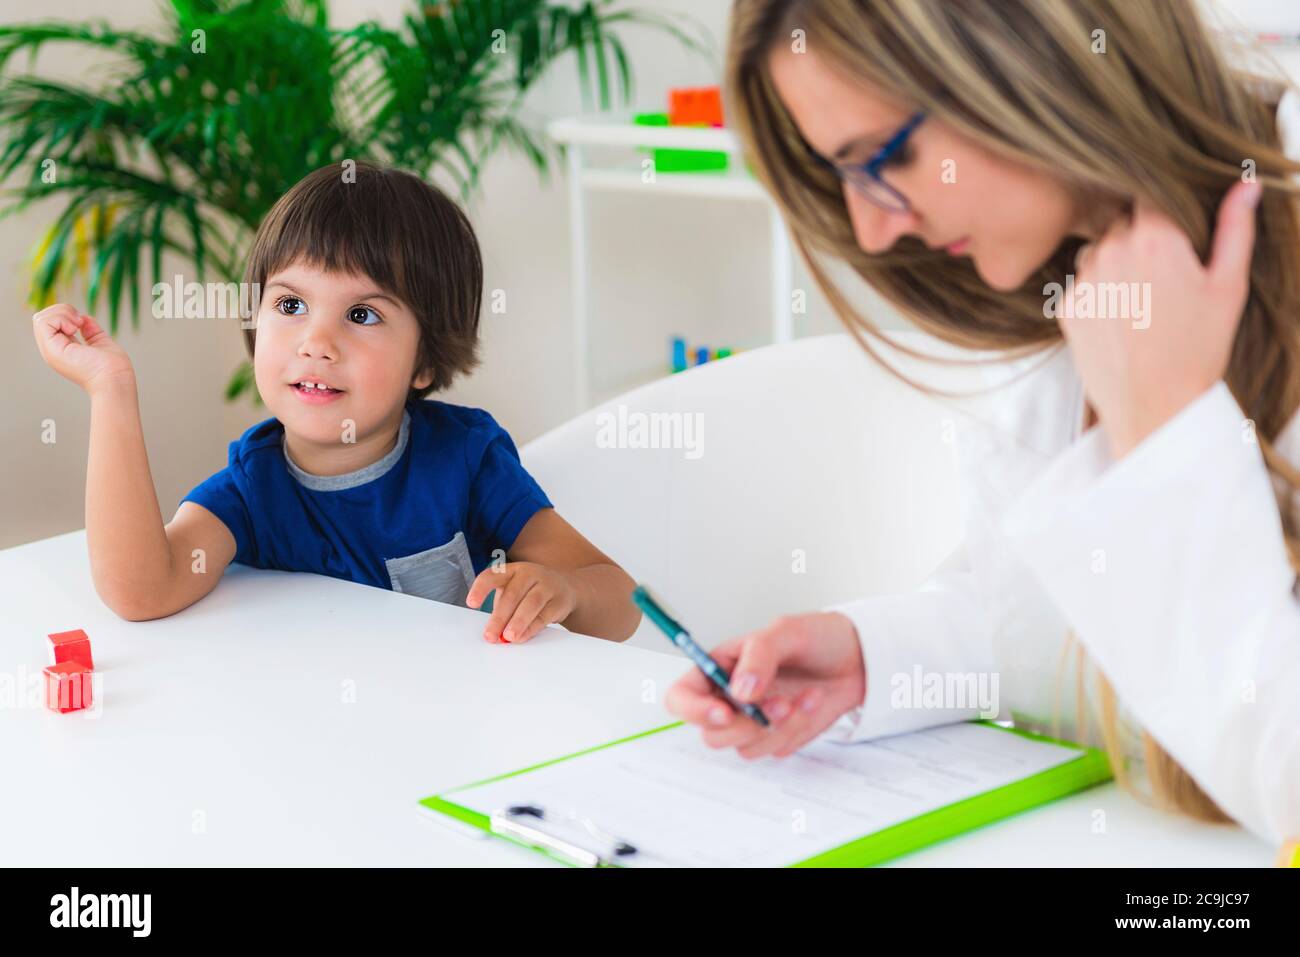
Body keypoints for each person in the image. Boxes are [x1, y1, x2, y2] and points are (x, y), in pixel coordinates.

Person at [667, 0, 1300, 845]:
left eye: (885, 158)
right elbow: (1068, 619)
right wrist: (872, 658)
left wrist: (1168, 431)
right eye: (844, 179)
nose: (872, 227)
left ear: (1027, 49)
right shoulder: (1076, 291)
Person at [31, 161, 639, 645]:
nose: (316, 342)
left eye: (362, 314)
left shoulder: (466, 459)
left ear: (425, 360)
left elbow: (620, 601)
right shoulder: (253, 487)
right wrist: (109, 390)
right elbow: (141, 590)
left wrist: (564, 591)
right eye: (291, 305)